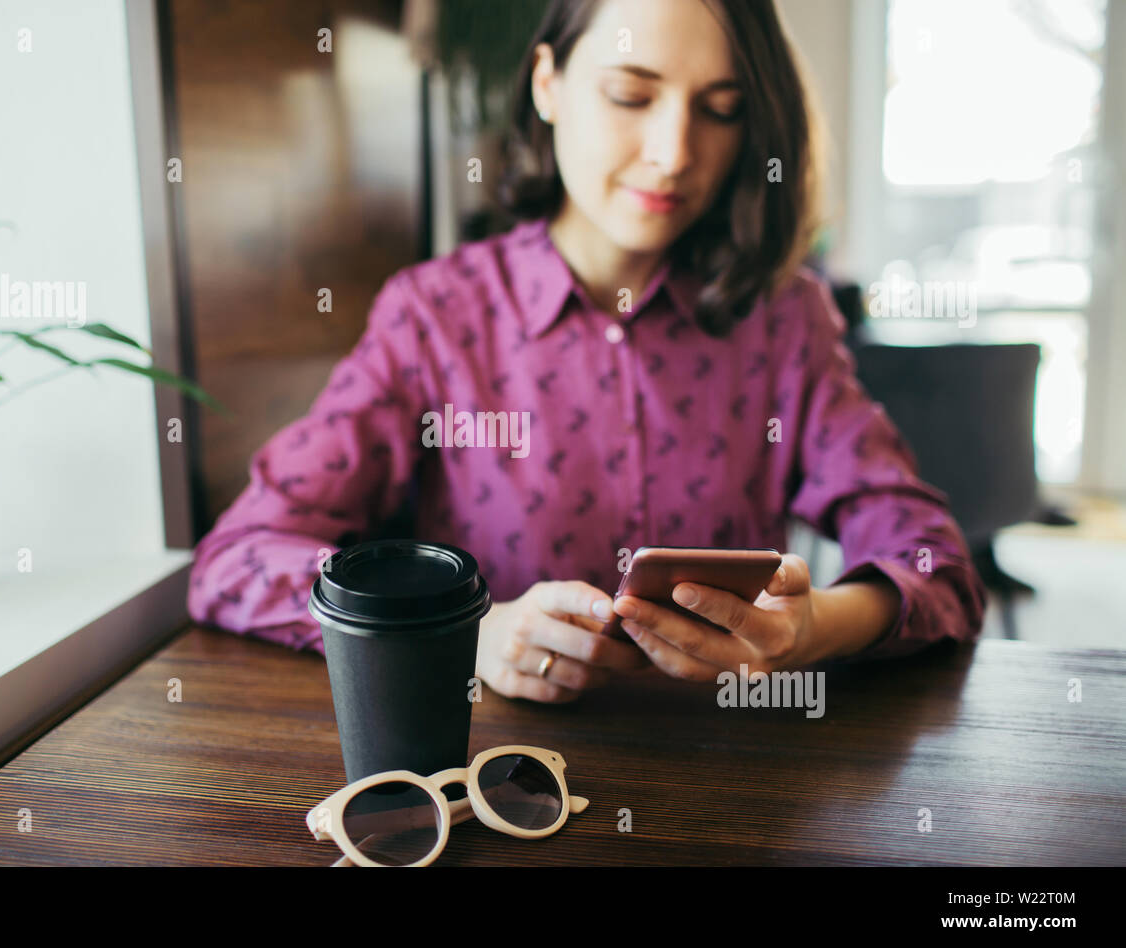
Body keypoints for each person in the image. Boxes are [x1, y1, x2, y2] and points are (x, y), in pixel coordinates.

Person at [188, 0, 987, 703]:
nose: (674, 151)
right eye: (630, 94)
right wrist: (463, 635)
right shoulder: (434, 315)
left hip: (728, 792)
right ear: (548, 84)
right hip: (497, 782)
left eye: (721, 108)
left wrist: (816, 630)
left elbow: (932, 558)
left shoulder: (782, 320)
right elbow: (236, 560)